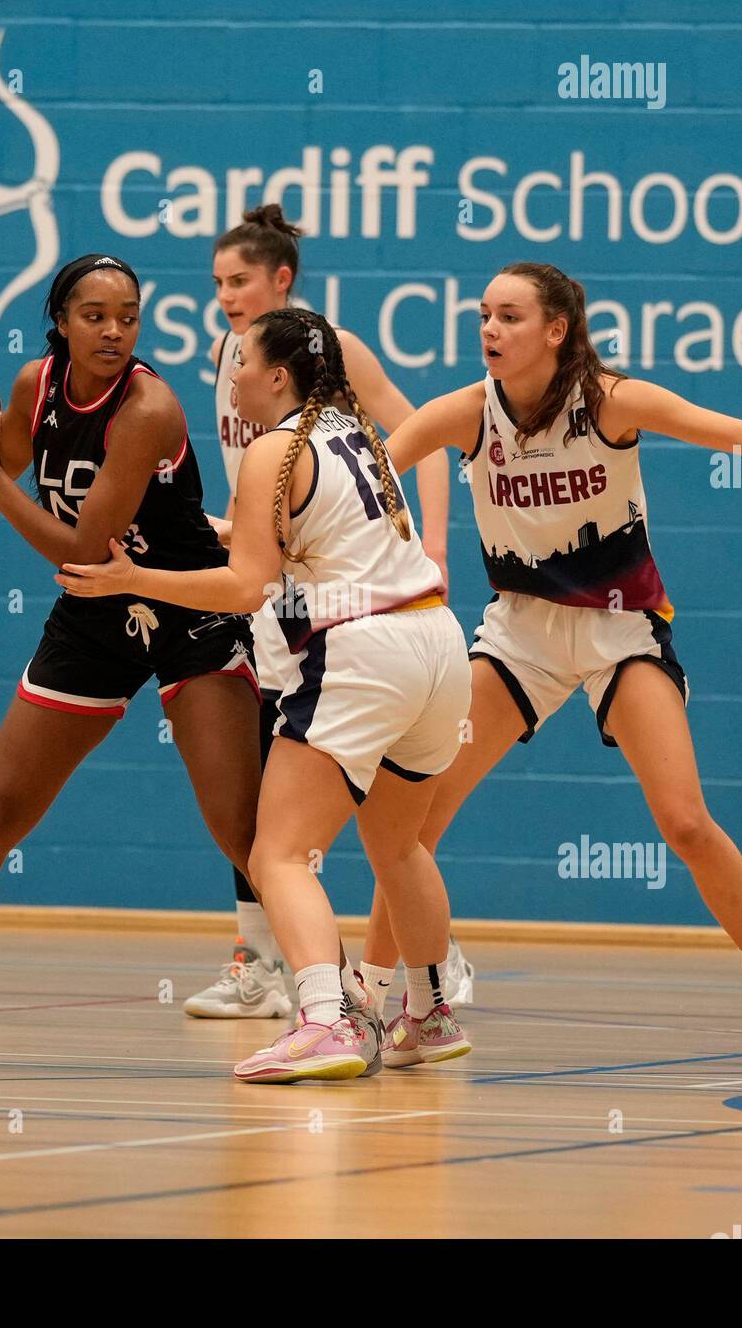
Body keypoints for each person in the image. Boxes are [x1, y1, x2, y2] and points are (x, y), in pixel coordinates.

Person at [368, 260, 742, 1066]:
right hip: (519, 633)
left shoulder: (611, 400)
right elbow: (369, 470)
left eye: (510, 316)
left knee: (685, 821)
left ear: (557, 329)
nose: (489, 329)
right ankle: (377, 998)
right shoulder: (467, 411)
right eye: (484, 315)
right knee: (410, 828)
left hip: (619, 628)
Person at [0, 254, 263, 1063]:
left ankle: (339, 997)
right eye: (95, 315)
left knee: (242, 831)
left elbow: (76, 548)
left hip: (184, 608)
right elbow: (1, 465)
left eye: (128, 316)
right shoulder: (36, 387)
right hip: (94, 619)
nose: (114, 330)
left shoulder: (148, 408)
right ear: (61, 322)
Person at [59, 309, 474, 1081]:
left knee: (277, 851)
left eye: (243, 361)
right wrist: (218, 529)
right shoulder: (352, 434)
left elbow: (247, 585)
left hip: (362, 652)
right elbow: (297, 542)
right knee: (399, 845)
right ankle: (429, 1010)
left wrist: (131, 578)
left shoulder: (272, 450)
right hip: (437, 646)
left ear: (279, 376)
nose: (232, 374)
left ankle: (328, 1019)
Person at [182, 203, 475, 1020]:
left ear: (282, 280)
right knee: (312, 810)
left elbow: (424, 434)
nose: (226, 296)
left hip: (341, 610)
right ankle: (366, 985)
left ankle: (330, 1009)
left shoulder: (325, 356)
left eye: (239, 280)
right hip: (305, 597)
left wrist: (434, 547)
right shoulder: (229, 361)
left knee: (285, 832)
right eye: (216, 284)